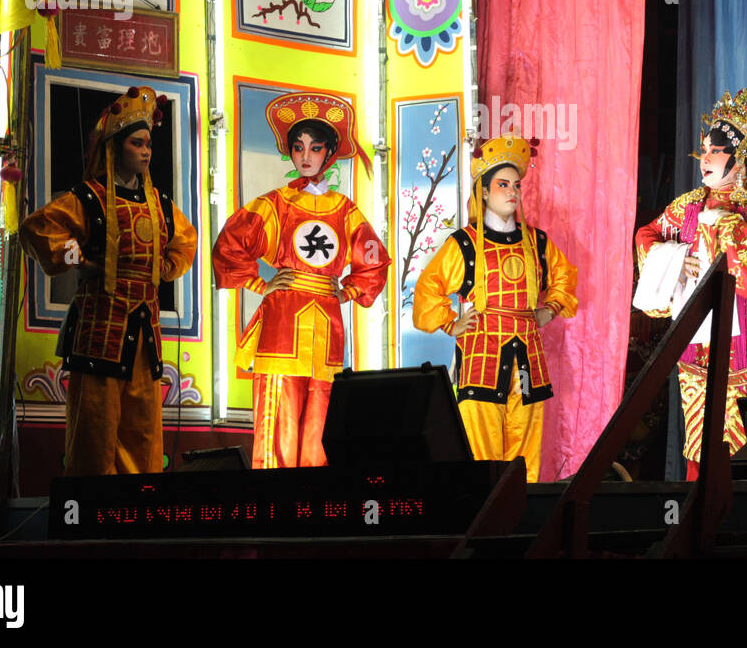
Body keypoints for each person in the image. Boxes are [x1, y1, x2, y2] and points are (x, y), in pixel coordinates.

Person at [19, 85, 197, 476]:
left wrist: (162, 271)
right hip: (100, 329)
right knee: (96, 432)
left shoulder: (161, 204)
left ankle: (138, 511)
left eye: (149, 144)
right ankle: (91, 514)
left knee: (142, 427)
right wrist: (76, 258)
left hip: (144, 333)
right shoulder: (88, 198)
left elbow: (185, 243)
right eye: (137, 143)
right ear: (116, 147)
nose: (146, 151)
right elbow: (36, 229)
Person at [212, 91, 389, 469]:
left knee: (320, 426)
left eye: (315, 147)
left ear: (329, 153)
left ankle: (316, 506)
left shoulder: (345, 210)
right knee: (280, 420)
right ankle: (272, 508)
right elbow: (230, 241)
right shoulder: (275, 203)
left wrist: (350, 290)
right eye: (298, 147)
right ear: (290, 153)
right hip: (282, 323)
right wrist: (260, 284)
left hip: (327, 326)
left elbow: (374, 259)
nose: (305, 156)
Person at [633, 89, 747, 480]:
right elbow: (646, 237)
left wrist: (732, 230)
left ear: (740, 159)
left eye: (716, 151)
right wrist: (675, 262)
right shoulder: (686, 207)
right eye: (704, 149)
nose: (705, 158)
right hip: (700, 356)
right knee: (702, 454)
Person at [412, 134, 578, 482]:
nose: (512, 192)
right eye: (503, 184)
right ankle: (482, 529)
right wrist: (449, 323)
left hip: (527, 363)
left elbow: (564, 276)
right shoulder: (464, 243)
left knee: (526, 461)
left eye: (516, 185)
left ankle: (523, 527)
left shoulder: (537, 242)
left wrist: (550, 308)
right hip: (480, 359)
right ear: (484, 191)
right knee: (481, 461)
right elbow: (429, 287)